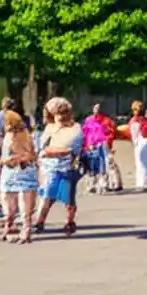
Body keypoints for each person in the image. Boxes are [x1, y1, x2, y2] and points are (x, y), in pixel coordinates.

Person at [34, 97, 84, 236]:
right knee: (48, 196)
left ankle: (70, 222)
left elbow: (74, 149)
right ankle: (40, 222)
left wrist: (55, 150)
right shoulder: (50, 128)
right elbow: (42, 149)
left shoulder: (75, 129)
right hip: (51, 168)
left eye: (63, 114)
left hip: (67, 168)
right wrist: (60, 150)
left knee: (68, 198)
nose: (60, 117)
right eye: (58, 114)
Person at [0, 110, 38, 244]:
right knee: (20, 204)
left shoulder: (14, 136)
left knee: (13, 204)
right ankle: (18, 228)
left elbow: (30, 155)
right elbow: (32, 155)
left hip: (15, 171)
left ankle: (17, 228)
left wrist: (10, 159)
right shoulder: (25, 134)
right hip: (21, 170)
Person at [81, 104, 111, 195]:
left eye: (98, 108)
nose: (96, 110)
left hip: (101, 145)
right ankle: (92, 185)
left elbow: (109, 133)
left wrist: (107, 143)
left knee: (102, 164)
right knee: (91, 164)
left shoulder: (106, 120)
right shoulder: (89, 120)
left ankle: (102, 184)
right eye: (95, 108)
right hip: (90, 146)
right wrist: (86, 145)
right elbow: (85, 132)